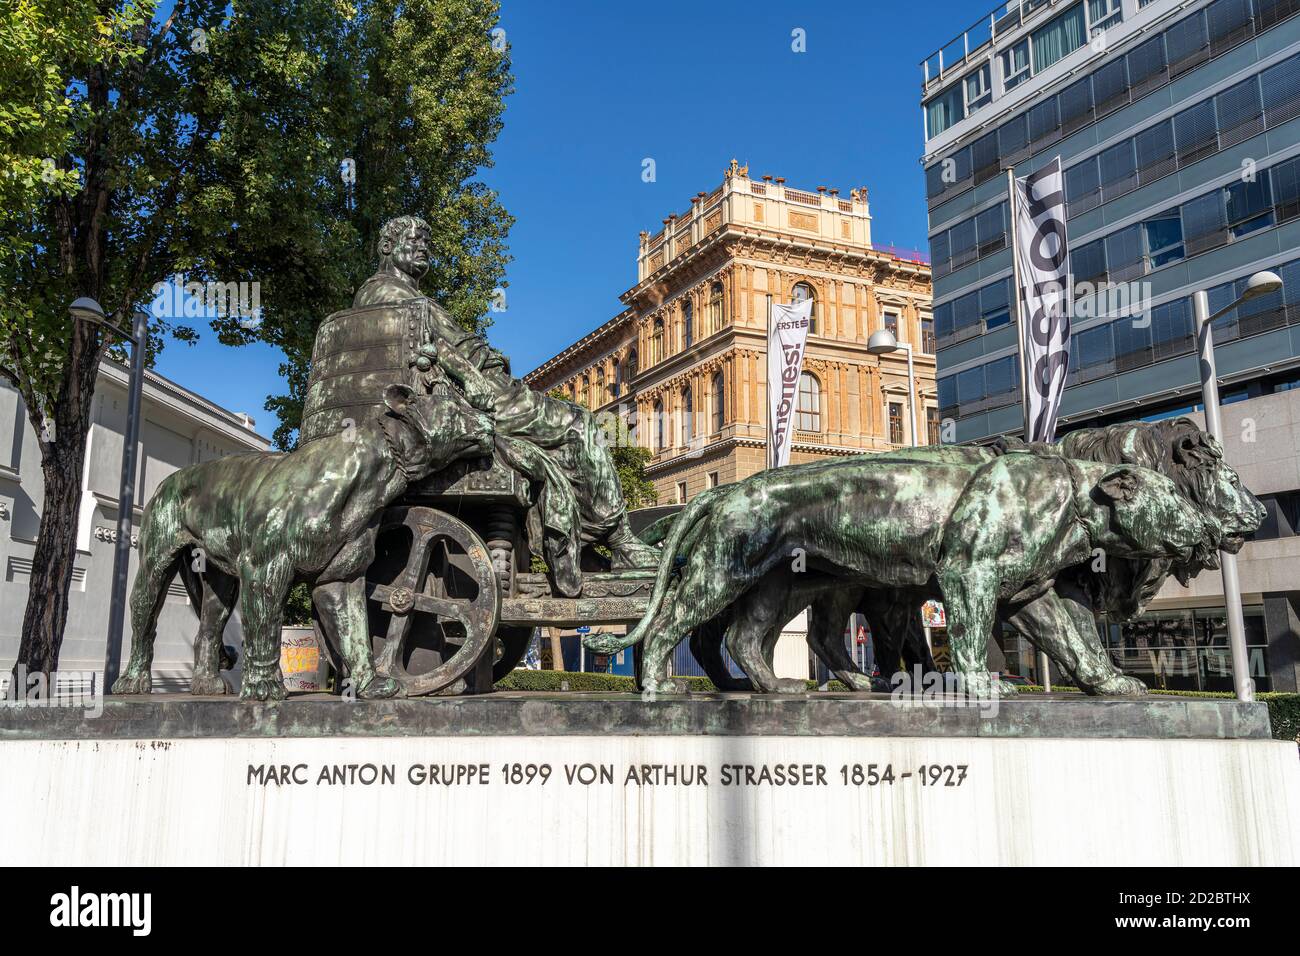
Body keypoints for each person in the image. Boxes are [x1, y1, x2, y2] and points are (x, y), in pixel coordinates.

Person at [354, 215, 659, 596]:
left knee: (572, 430)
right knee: (580, 425)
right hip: (473, 397)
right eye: (414, 241)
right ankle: (617, 541)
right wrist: (473, 375)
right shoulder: (389, 294)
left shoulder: (402, 298)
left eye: (427, 244)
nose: (423, 249)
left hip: (474, 389)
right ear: (386, 247)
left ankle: (581, 541)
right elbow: (434, 350)